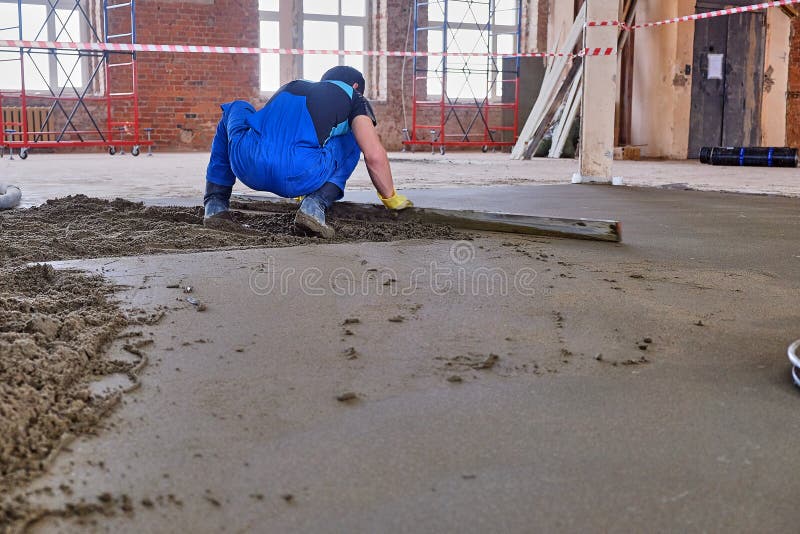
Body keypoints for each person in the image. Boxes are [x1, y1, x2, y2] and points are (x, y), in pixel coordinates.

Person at [202, 65, 412, 238]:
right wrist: (390, 198)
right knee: (355, 136)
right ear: (356, 86)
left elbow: (280, 137)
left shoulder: (292, 85)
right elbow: (374, 155)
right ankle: (315, 205)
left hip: (247, 165)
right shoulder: (354, 97)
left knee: (234, 108)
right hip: (300, 175)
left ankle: (216, 204)